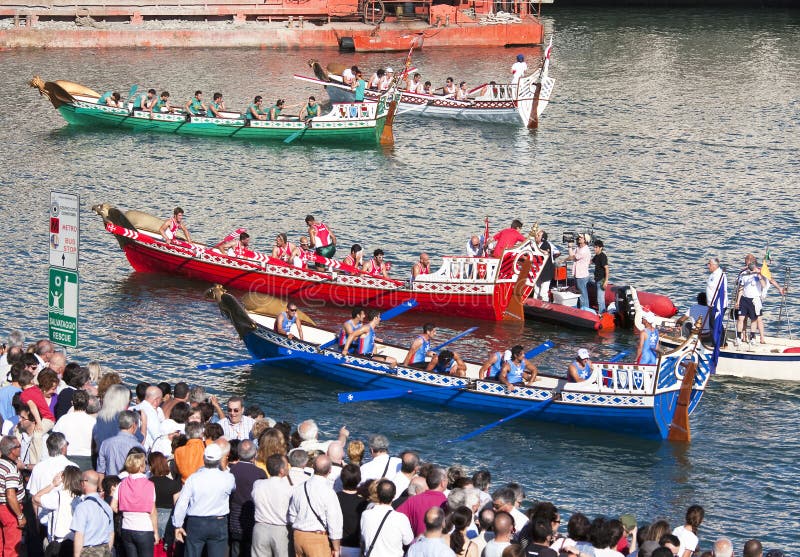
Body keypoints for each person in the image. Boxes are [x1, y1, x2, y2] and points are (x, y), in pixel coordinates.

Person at [174, 443, 236, 557]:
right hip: (218, 522)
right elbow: (232, 488)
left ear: (204, 458)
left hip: (196, 523)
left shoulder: (194, 478)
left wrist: (178, 524)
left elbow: (182, 502)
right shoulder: (228, 478)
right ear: (220, 459)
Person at [288, 455, 343, 557]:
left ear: (312, 467)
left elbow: (292, 515)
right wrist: (336, 548)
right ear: (330, 470)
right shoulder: (329, 492)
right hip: (317, 539)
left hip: (299, 536)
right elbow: (334, 522)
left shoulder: (300, 487)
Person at [111, 452, 160, 557]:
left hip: (127, 528)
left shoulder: (121, 484)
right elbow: (153, 511)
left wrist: (125, 511)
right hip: (144, 528)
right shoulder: (149, 485)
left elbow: (113, 506)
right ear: (141, 466)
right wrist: (155, 532)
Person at [229, 440, 266, 557]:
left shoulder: (232, 470)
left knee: (235, 549)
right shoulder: (260, 473)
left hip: (234, 518)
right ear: (255, 454)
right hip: (252, 518)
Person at [251, 454, 293, 557]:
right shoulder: (289, 489)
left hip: (260, 528)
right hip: (280, 530)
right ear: (282, 470)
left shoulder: (258, 484)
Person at [360, 479, 413, 557]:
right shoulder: (401, 518)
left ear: (377, 494)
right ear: (394, 496)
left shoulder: (365, 515)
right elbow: (408, 541)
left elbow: (363, 537)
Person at [70, 470, 115, 556]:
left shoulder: (82, 507)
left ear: (84, 483)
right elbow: (111, 533)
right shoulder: (107, 506)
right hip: (105, 550)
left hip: (88, 552)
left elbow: (79, 535)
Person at [396, 466, 447, 537]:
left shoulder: (412, 500)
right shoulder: (446, 502)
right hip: (440, 545)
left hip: (416, 543)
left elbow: (396, 518)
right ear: (443, 483)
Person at [97, 410, 144, 477]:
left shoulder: (105, 444)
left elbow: (100, 471)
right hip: (128, 485)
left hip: (110, 484)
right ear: (134, 425)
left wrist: (101, 487)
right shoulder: (137, 446)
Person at [0, 436, 26, 556]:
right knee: (12, 548)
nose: (20, 448)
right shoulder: (11, 469)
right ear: (12, 450)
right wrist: (20, 516)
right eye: (19, 446)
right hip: (8, 510)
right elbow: (11, 495)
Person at [735, 254, 768, 346]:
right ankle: (738, 337)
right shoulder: (743, 273)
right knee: (740, 318)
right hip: (744, 299)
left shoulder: (759, 272)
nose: (748, 266)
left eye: (750, 264)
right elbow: (740, 288)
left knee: (754, 319)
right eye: (747, 264)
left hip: (755, 299)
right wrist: (738, 301)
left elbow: (764, 285)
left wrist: (759, 275)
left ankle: (752, 337)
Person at [564, 234, 591, 310]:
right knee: (579, 293)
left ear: (585, 240)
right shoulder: (578, 248)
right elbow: (572, 254)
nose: (579, 238)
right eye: (579, 237)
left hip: (582, 275)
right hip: (577, 274)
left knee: (583, 295)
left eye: (581, 237)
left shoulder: (584, 250)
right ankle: (581, 308)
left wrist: (564, 260)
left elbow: (573, 257)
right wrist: (570, 246)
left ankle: (585, 309)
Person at [592, 240, 610, 313]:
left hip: (601, 280)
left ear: (600, 248)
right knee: (599, 299)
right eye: (594, 247)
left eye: (596, 247)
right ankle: (601, 313)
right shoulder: (596, 256)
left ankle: (602, 314)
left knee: (600, 299)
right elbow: (591, 261)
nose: (594, 249)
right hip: (597, 280)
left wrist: (606, 281)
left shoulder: (603, 256)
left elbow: (607, 269)